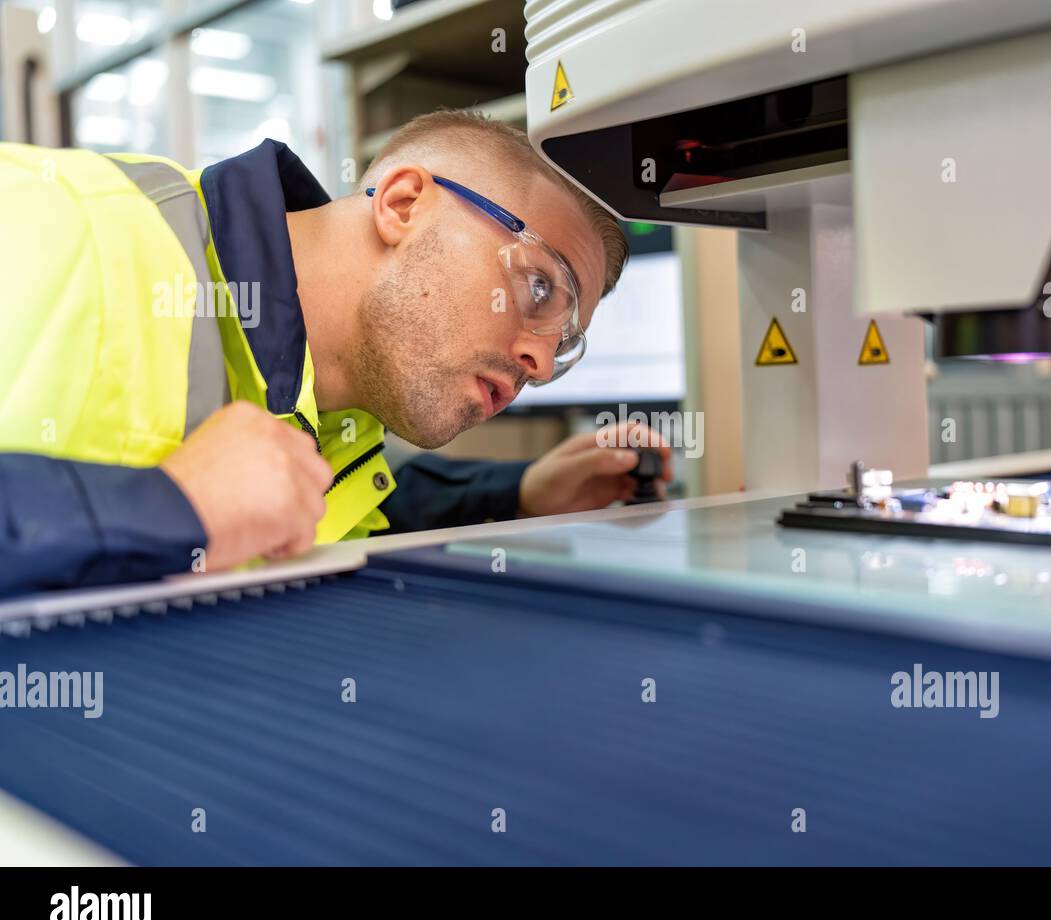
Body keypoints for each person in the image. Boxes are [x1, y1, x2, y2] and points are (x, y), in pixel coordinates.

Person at [0, 110, 671, 596]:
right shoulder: (51, 221)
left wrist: (518, 496)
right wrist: (170, 506)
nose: (542, 364)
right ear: (405, 204)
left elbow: (331, 508)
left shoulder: (338, 422)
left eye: (565, 339)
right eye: (537, 286)